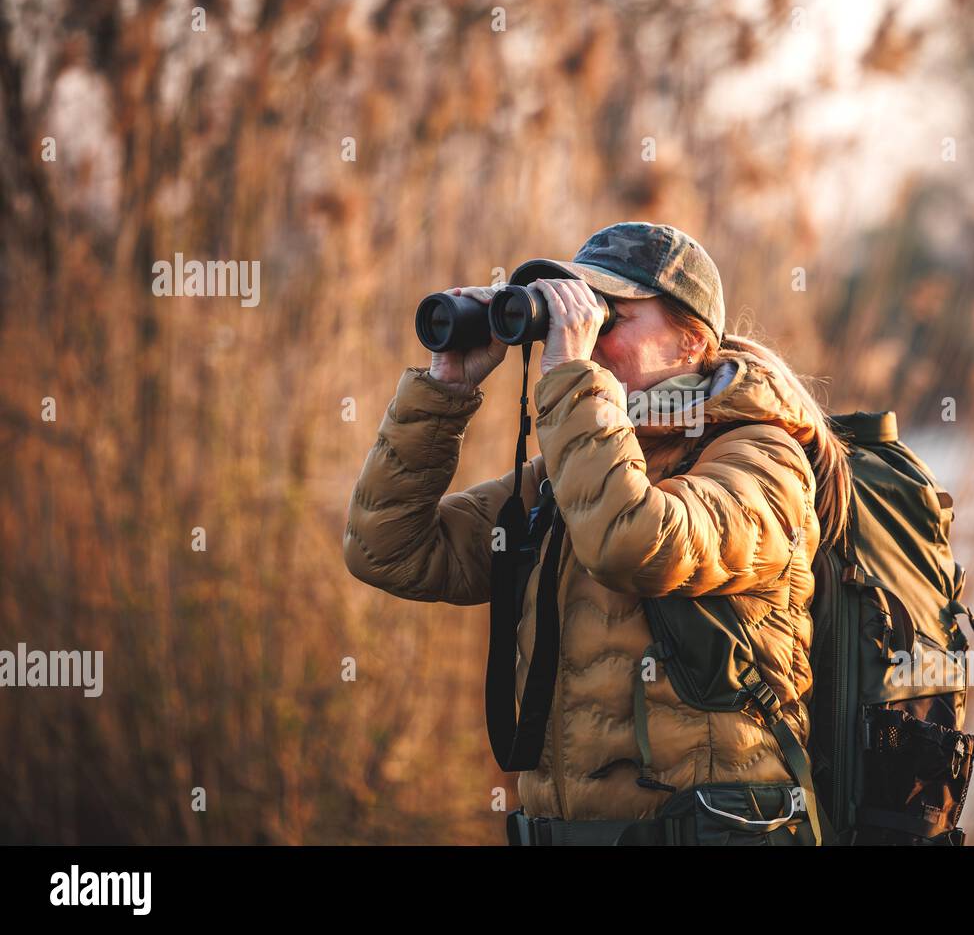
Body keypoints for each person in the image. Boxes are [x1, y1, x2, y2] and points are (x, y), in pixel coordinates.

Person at [343, 221, 852, 844]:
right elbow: (389, 551)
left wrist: (568, 377)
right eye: (571, 314)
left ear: (692, 342)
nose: (581, 337)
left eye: (606, 317)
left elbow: (633, 540)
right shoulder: (570, 473)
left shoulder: (763, 457)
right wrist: (445, 389)